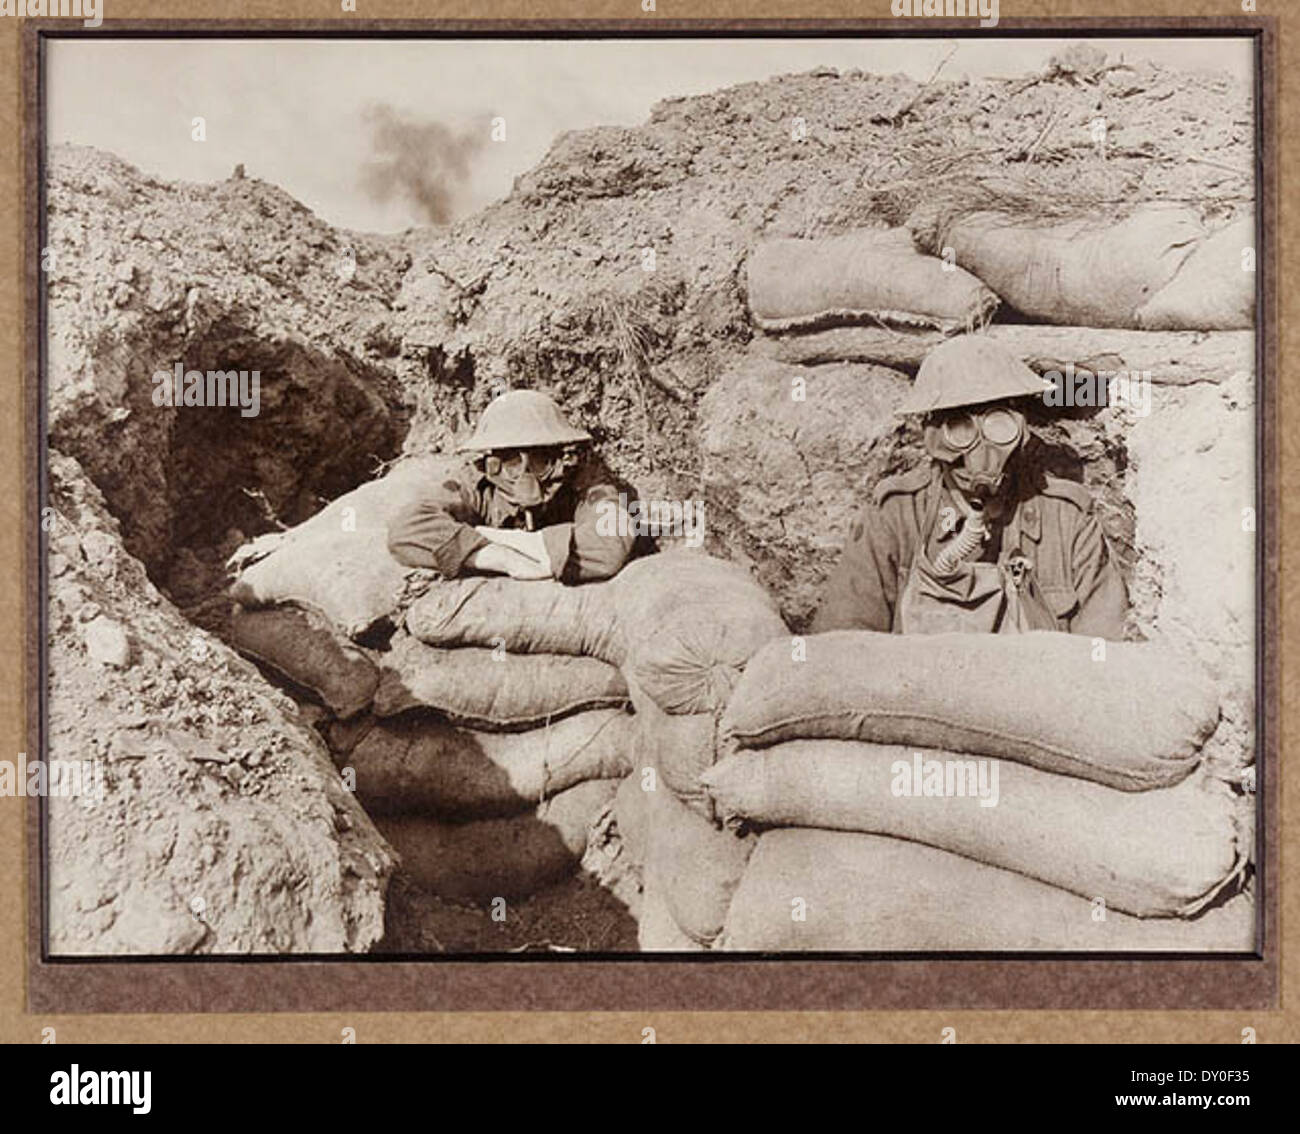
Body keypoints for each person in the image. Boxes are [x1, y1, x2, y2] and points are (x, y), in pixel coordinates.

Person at [812, 335, 1127, 639]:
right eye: (960, 427)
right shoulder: (896, 515)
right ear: (933, 433)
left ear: (1020, 428)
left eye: (998, 423)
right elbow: (842, 647)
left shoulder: (1067, 518)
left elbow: (1102, 652)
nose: (981, 450)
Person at [387, 389, 636, 582]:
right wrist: (500, 559)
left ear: (563, 458)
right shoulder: (476, 482)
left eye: (540, 461)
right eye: (512, 462)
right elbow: (407, 530)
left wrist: (500, 538)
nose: (526, 476)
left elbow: (609, 546)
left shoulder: (586, 481)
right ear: (492, 463)